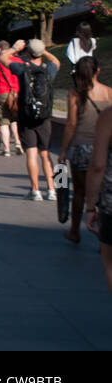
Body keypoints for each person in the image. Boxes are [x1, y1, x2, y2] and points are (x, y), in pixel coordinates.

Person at [61, 56, 111, 244]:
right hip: (104, 148)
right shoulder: (109, 93)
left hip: (81, 147)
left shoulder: (75, 94)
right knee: (102, 193)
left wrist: (64, 150)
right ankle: (104, 236)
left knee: (80, 192)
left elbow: (71, 124)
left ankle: (75, 231)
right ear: (98, 71)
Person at [12, 38, 60, 201]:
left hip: (26, 116)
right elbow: (56, 61)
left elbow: (3, 59)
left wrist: (15, 48)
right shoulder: (49, 70)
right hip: (44, 117)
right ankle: (52, 189)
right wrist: (43, 50)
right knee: (45, 154)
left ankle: (35, 190)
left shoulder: (22, 68)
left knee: (31, 154)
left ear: (28, 52)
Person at [85, 102, 112, 293]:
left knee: (110, 263)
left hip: (111, 202)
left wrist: (91, 206)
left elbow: (98, 165)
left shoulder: (108, 116)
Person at [0, 41, 22, 156]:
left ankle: (7, 149)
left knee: (3, 121)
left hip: (3, 93)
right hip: (17, 93)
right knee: (15, 120)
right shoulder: (19, 61)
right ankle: (18, 143)